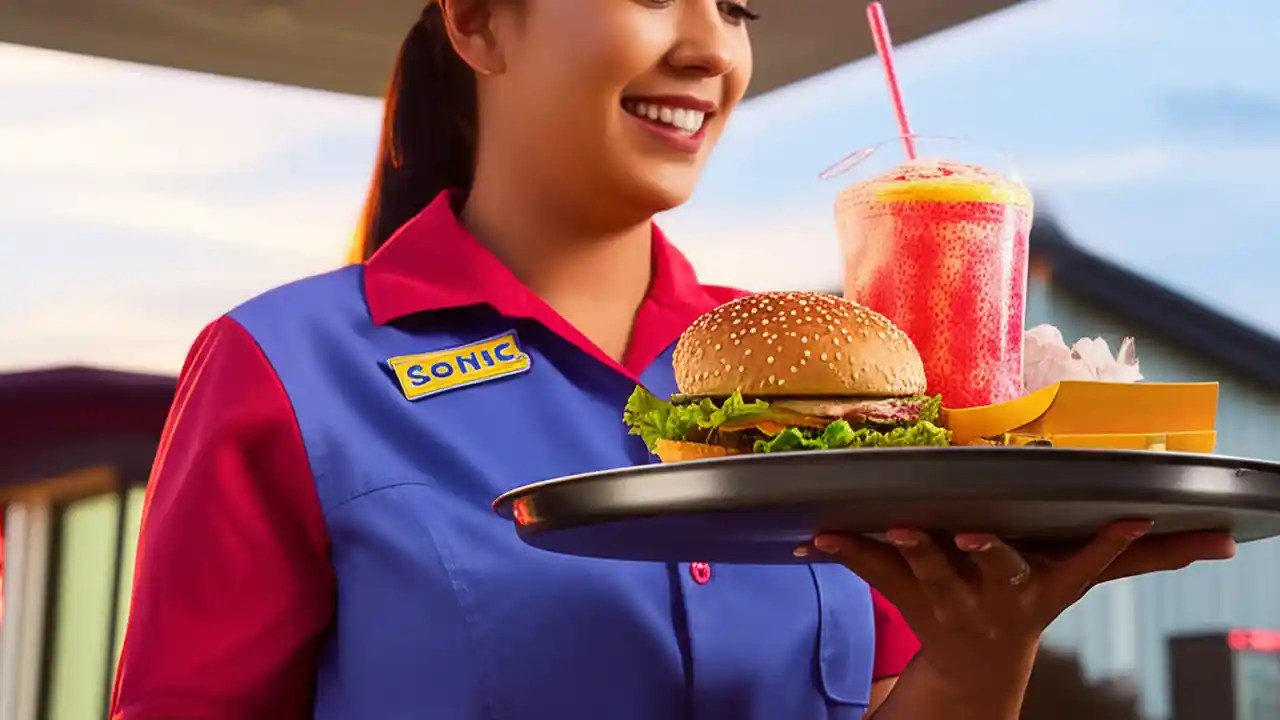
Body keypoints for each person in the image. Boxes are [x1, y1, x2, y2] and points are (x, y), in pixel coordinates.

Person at [109, 1, 1235, 718]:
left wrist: (986, 656)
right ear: (476, 23)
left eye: (738, 7)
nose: (709, 47)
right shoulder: (284, 368)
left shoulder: (850, 380)